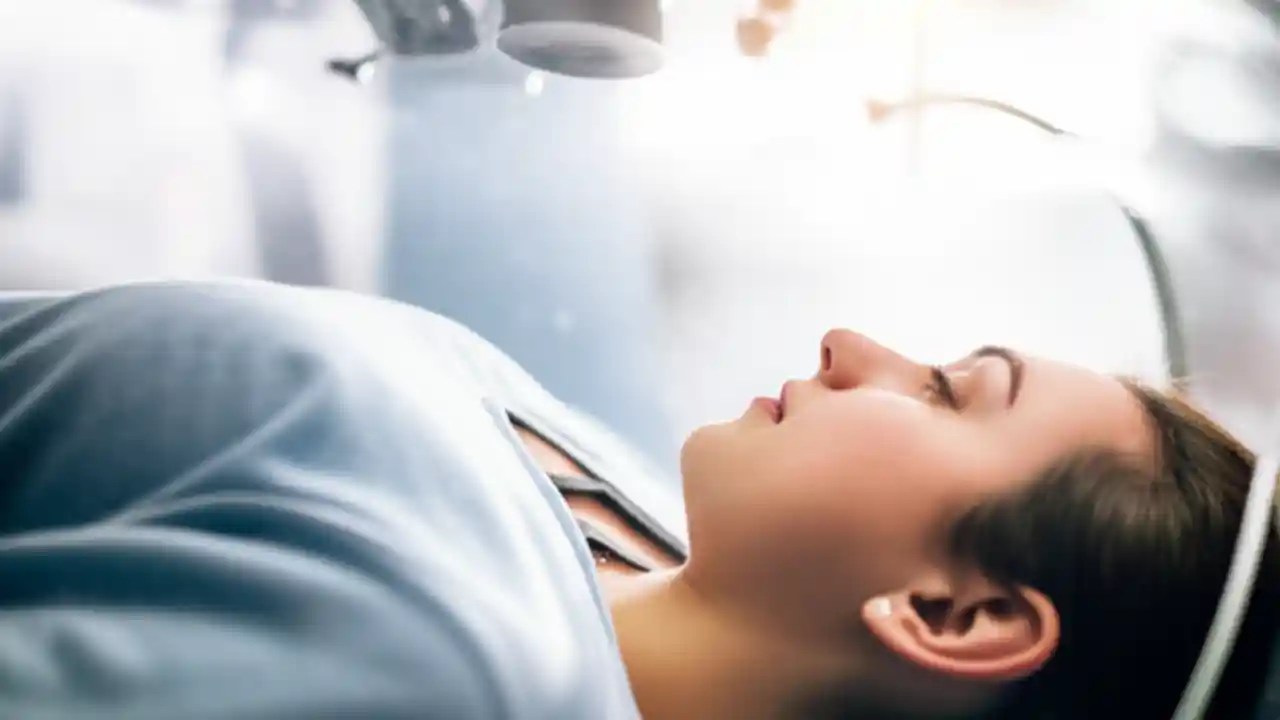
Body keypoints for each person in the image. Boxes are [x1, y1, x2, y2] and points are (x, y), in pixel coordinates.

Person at [0, 280, 1275, 720]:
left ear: (951, 616)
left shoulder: (442, 670)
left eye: (947, 392)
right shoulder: (637, 524)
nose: (852, 342)